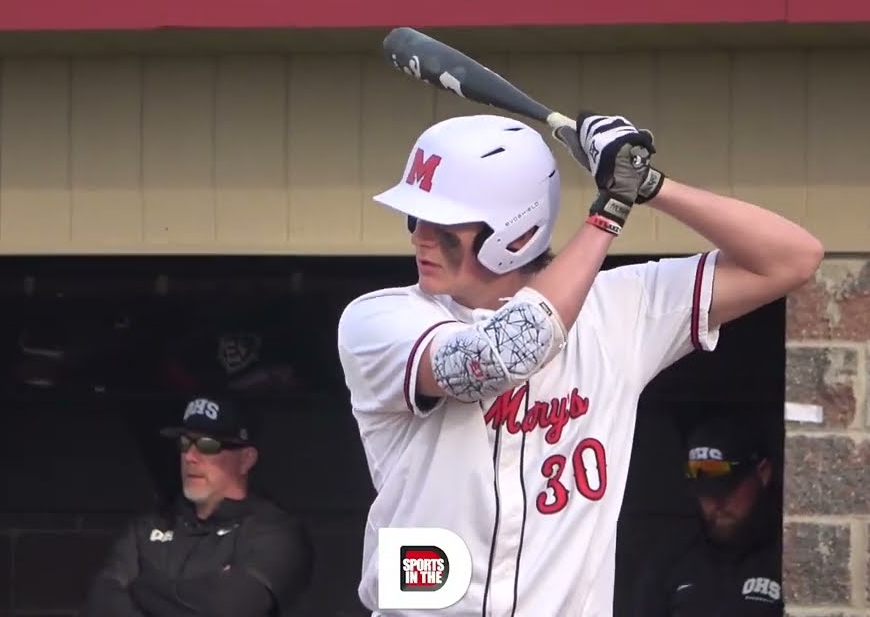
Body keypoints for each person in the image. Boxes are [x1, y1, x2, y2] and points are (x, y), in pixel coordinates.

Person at [335, 111, 823, 616]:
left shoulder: (618, 308)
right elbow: (502, 354)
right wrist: (610, 210)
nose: (419, 236)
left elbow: (794, 258)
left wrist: (650, 185)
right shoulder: (381, 320)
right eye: (415, 218)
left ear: (515, 233)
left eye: (443, 224)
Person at [83, 395, 314, 617]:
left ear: (246, 459)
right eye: (185, 443)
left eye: (207, 445)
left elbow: (227, 608)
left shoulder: (275, 531)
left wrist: (140, 587)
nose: (190, 456)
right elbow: (100, 604)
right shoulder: (147, 527)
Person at [633, 412, 783, 617]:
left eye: (726, 489)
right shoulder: (671, 561)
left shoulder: (791, 558)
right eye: (705, 492)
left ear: (763, 472)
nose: (716, 503)